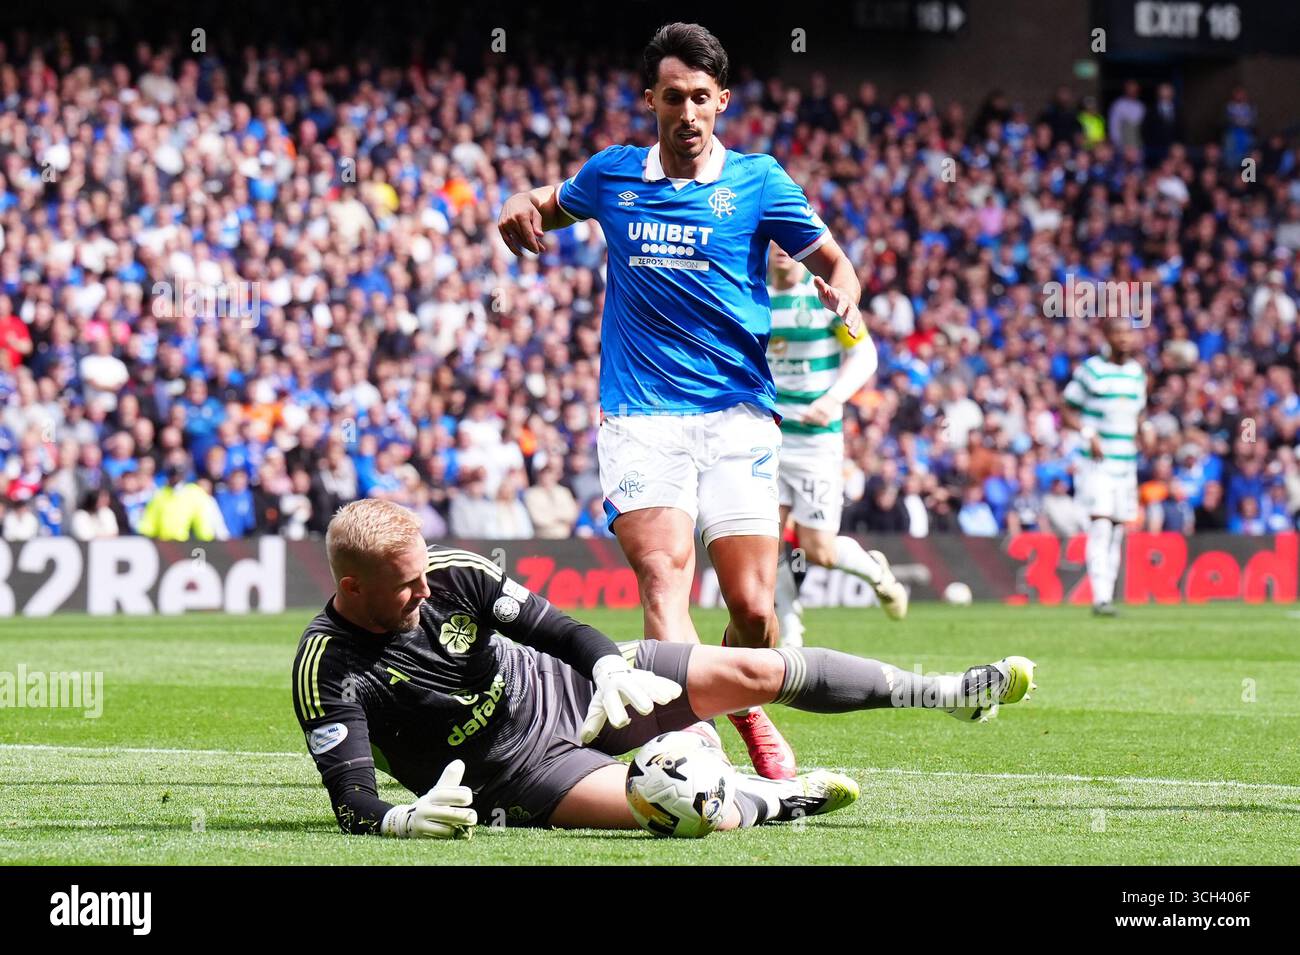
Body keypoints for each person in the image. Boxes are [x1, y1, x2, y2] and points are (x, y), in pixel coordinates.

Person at [497, 22, 868, 779]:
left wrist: (846, 297)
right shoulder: (612, 175)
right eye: (674, 97)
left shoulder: (759, 182)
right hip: (640, 413)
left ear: (722, 101)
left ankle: (744, 701)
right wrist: (517, 201)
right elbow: (550, 200)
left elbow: (834, 258)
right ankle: (696, 750)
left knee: (756, 607)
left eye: (702, 97)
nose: (689, 112)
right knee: (666, 575)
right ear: (651, 102)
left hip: (737, 414)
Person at [293, 500, 1037, 838]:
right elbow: (352, 799)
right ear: (351, 587)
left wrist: (610, 668)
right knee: (677, 806)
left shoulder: (454, 572)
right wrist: (401, 819)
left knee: (754, 666)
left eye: (424, 577)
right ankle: (776, 800)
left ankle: (944, 690)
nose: (425, 593)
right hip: (515, 776)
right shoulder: (327, 668)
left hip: (572, 692)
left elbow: (562, 630)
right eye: (406, 587)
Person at [765, 241, 907, 648]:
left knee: (818, 550)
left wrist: (832, 399)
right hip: (769, 438)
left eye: (785, 239)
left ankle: (876, 572)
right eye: (771, 240)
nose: (780, 248)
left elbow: (865, 355)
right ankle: (791, 636)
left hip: (815, 445)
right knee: (765, 542)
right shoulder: (753, 293)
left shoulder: (823, 295)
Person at [1061, 316, 1155, 616]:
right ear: (1107, 337)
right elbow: (1066, 408)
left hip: (1126, 461)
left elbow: (1138, 412)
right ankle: (1100, 597)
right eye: (1119, 333)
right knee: (1101, 524)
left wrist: (1146, 428)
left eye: (1129, 333)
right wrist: (1088, 434)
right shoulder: (1091, 370)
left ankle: (1107, 595)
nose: (1125, 338)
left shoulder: (1136, 373)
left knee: (1117, 529)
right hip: (1097, 462)